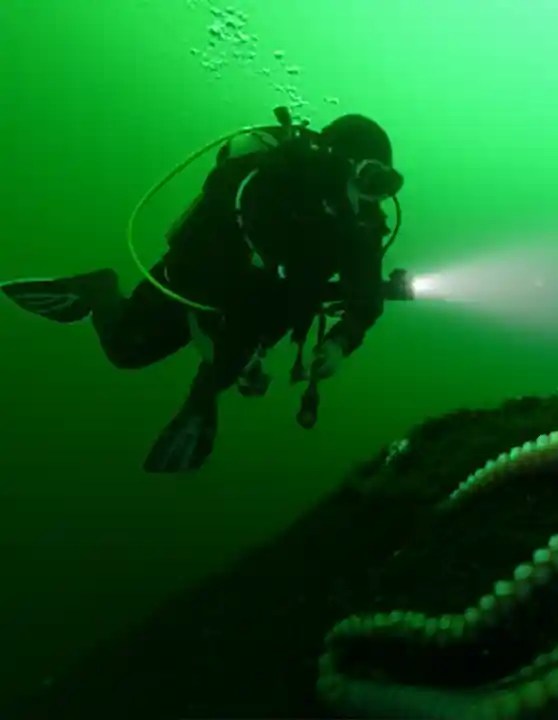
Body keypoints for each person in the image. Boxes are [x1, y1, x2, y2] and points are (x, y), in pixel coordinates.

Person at [1, 110, 406, 473]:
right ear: (339, 161)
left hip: (254, 315)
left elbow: (365, 297)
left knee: (227, 363)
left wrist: (339, 342)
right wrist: (214, 329)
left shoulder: (361, 227)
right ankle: (97, 287)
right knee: (126, 351)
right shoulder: (269, 178)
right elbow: (209, 236)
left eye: (383, 187)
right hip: (192, 280)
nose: (370, 198)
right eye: (370, 179)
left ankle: (199, 408)